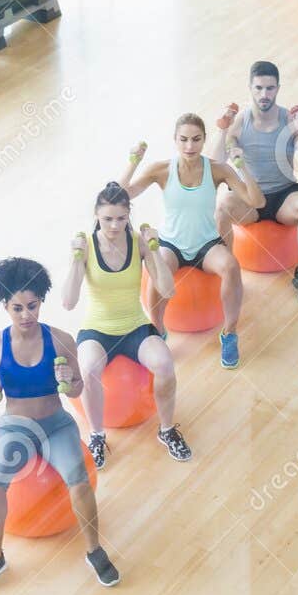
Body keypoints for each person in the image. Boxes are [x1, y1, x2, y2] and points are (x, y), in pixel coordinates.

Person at [0, 256, 119, 593]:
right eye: (17, 308)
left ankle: (95, 551)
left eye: (32, 306)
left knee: (78, 481)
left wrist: (71, 380)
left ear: (41, 301)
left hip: (55, 424)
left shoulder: (62, 340)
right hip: (14, 427)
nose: (26, 315)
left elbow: (78, 389)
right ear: (5, 306)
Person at [60, 181, 192, 467]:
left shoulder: (138, 241)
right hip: (97, 329)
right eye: (107, 219)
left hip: (135, 326)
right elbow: (68, 302)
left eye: (121, 218)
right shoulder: (88, 246)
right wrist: (75, 260)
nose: (114, 225)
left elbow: (168, 291)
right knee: (88, 368)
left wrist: (154, 250)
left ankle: (167, 430)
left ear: (129, 214)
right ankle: (96, 435)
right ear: (96, 215)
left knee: (165, 364)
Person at [120, 113, 264, 369]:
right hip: (171, 244)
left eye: (196, 139)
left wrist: (241, 166)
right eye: (184, 139)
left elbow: (257, 202)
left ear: (204, 140)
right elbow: (120, 195)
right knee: (156, 267)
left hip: (206, 244)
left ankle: (229, 334)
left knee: (231, 266)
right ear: (175, 140)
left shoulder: (218, 169)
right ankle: (158, 330)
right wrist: (134, 162)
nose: (190, 146)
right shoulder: (161, 170)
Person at [212, 60, 298, 306]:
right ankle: (230, 274)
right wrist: (222, 131)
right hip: (250, 198)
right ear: (250, 88)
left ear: (278, 88)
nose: (264, 94)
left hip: (283, 196)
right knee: (221, 205)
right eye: (259, 88)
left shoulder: (289, 120)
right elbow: (216, 163)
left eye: (270, 88)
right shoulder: (240, 121)